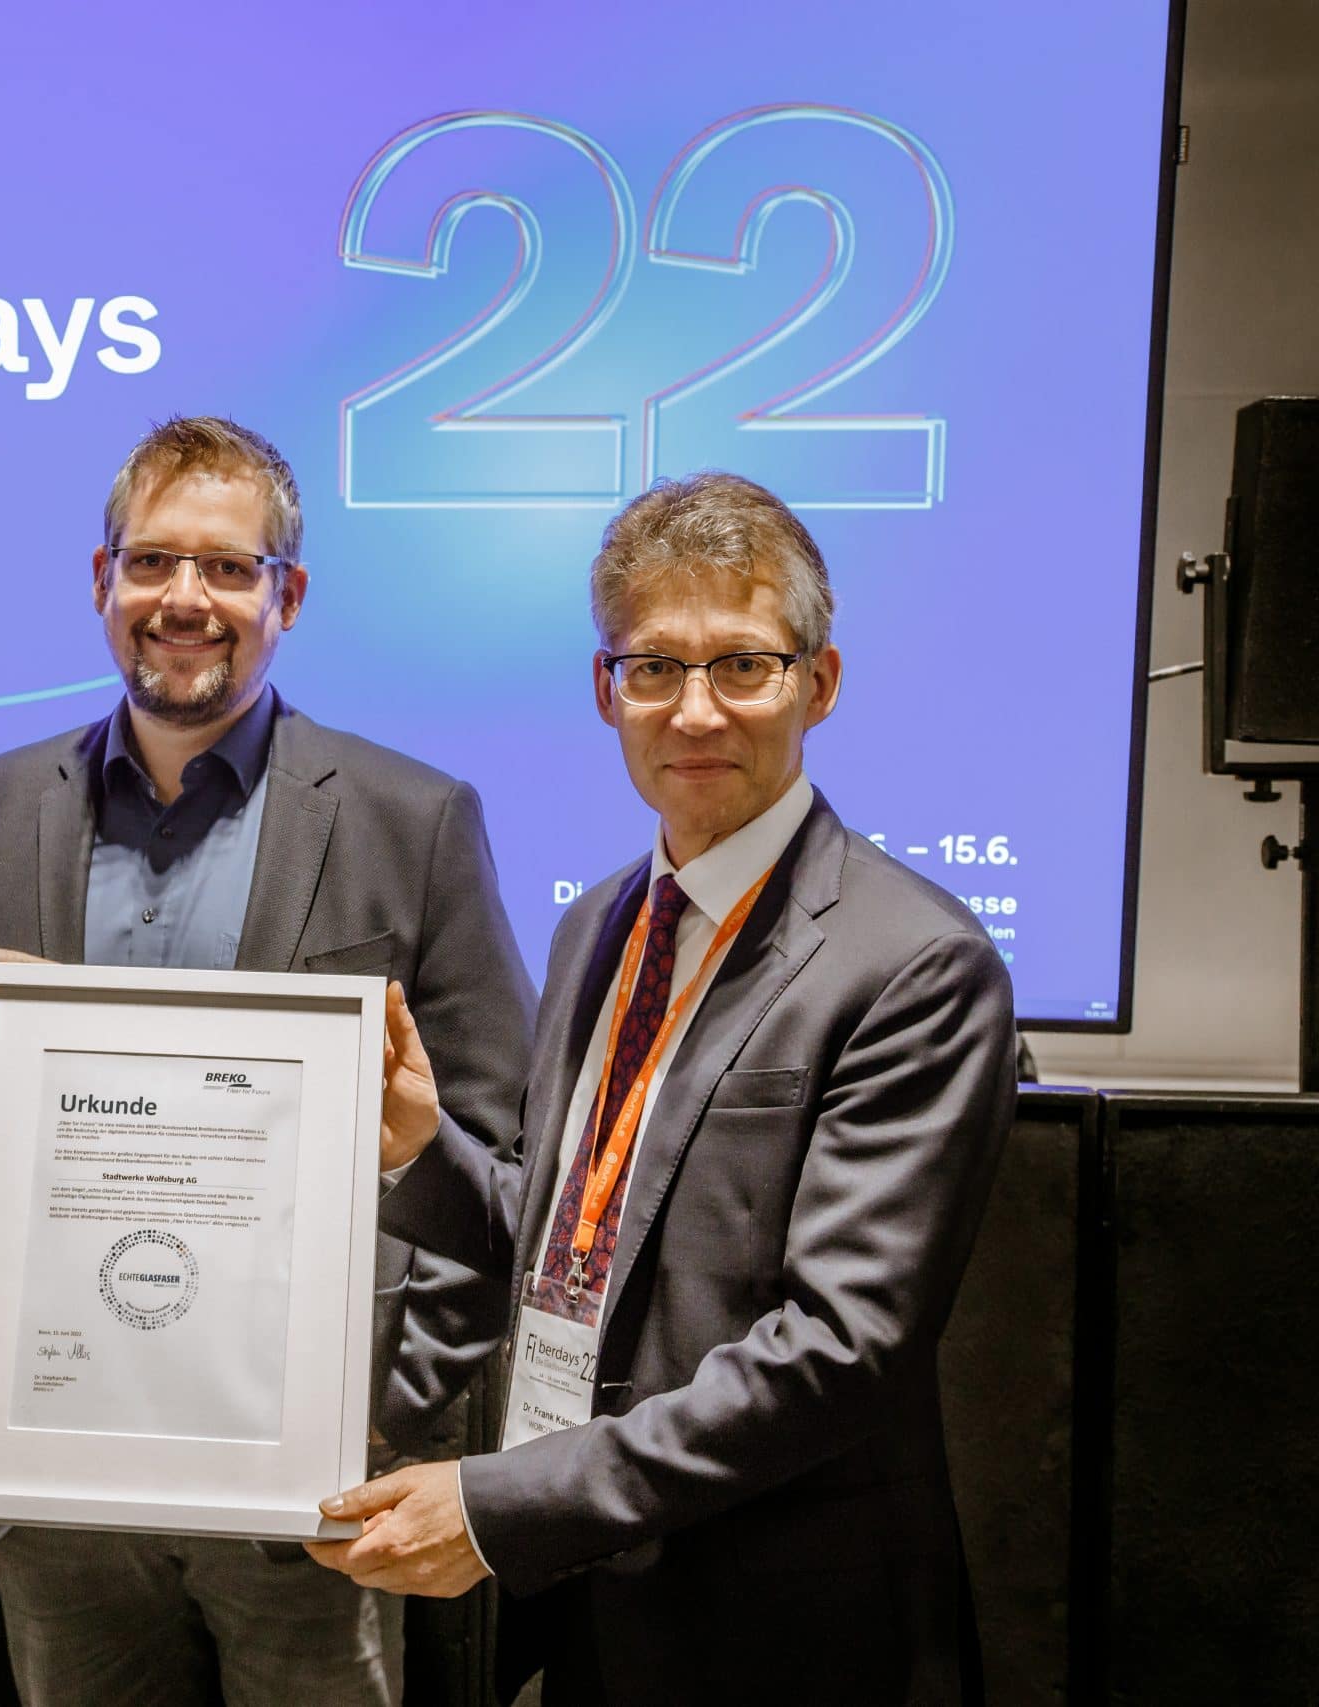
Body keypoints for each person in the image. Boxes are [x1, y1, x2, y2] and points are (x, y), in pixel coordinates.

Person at [311, 472, 1017, 1705]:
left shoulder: (915, 963)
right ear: (607, 691)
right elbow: (581, 1247)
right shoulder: (597, 924)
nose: (695, 711)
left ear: (818, 683)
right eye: (654, 668)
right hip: (589, 1596)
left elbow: (839, 1350)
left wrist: (507, 1506)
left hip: (782, 1627)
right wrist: (420, 1150)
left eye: (741, 664)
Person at [0, 416, 537, 1705]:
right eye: (152, 561)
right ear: (102, 579)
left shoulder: (413, 821)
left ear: (286, 596)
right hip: (50, 1480)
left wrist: (385, 1414)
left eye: (229, 568)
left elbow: (491, 1163)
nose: (184, 599)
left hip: (310, 1499)